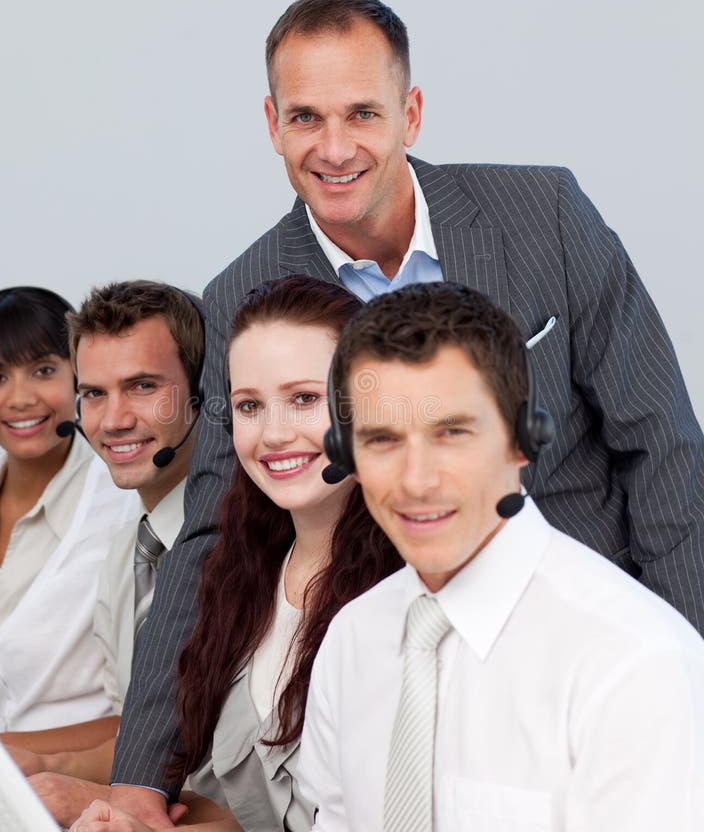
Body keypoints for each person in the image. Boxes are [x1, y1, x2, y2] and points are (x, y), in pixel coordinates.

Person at [110, 0, 704, 820]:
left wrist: (681, 672)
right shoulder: (241, 297)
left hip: (575, 642)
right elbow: (210, 531)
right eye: (307, 118)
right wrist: (142, 781)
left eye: (362, 113)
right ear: (273, 125)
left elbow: (664, 446)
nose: (336, 147)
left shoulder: (548, 219)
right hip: (390, 659)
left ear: (411, 112)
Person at [296, 281, 704, 831]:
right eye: (383, 440)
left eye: (452, 433)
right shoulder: (352, 640)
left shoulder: (634, 665)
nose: (416, 482)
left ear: (523, 440)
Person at [70, 276, 401, 832]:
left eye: (304, 399)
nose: (272, 433)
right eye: (250, 405)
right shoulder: (238, 577)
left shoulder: (405, 592)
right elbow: (247, 811)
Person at [5, 281, 204, 828]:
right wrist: (43, 762)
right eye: (94, 393)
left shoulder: (243, 551)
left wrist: (95, 800)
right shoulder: (126, 555)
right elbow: (137, 730)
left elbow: (259, 791)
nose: (112, 420)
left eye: (142, 386)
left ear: (203, 391)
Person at [0, 286, 138, 735]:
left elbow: (145, 720)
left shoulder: (122, 506)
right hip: (7, 783)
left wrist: (8, 754)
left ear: (80, 378)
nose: (19, 398)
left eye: (43, 370)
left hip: (95, 784)